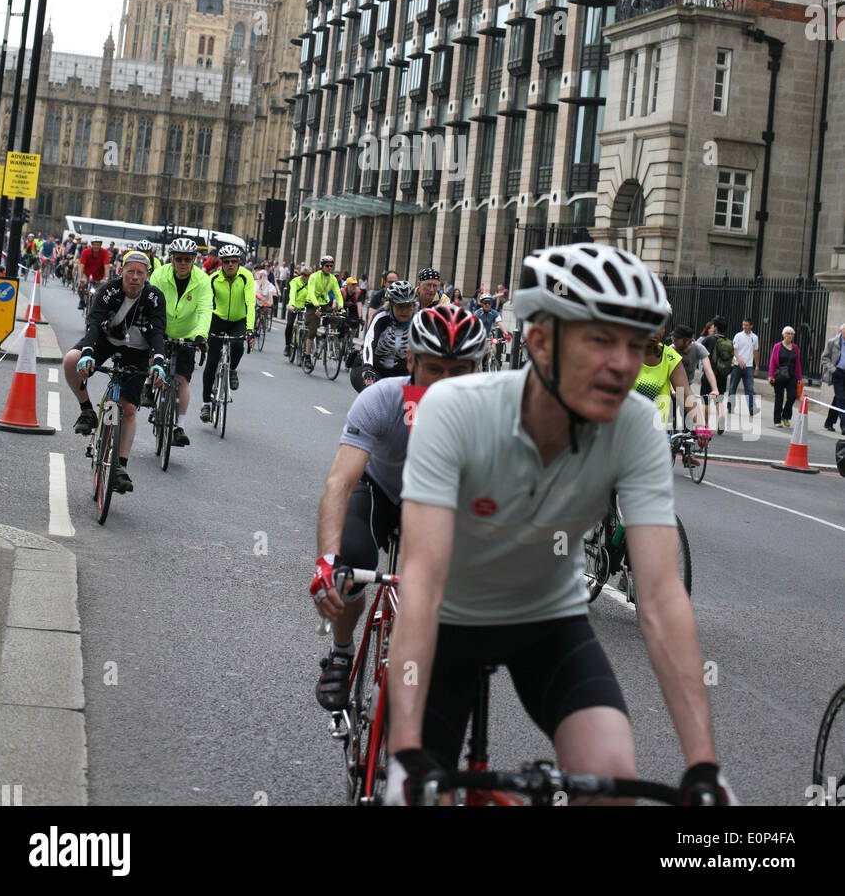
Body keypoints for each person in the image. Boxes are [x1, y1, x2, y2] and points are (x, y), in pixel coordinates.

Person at [383, 243, 733, 808]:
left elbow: (663, 598)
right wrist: (404, 756)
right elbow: (419, 579)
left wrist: (704, 768)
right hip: (450, 620)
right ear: (540, 342)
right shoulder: (455, 409)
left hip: (549, 621)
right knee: (424, 794)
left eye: (636, 344)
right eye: (600, 340)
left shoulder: (637, 425)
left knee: (612, 782)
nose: (624, 363)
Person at [310, 304, 487, 712]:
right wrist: (326, 562)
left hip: (440, 505)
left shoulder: (489, 413)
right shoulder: (382, 399)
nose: (445, 385)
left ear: (478, 369)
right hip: (381, 492)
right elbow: (340, 483)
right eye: (434, 370)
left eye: (459, 372)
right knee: (351, 563)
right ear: (410, 360)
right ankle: (341, 651)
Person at [63, 251, 168, 493]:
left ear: (146, 275)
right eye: (130, 271)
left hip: (138, 351)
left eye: (140, 273)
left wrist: (158, 362)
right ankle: (87, 411)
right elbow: (94, 323)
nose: (134, 277)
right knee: (71, 360)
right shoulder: (108, 291)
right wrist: (87, 352)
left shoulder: (154, 297)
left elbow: (157, 333)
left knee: (128, 408)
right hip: (107, 341)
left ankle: (120, 466)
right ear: (122, 272)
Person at [150, 236, 212, 447]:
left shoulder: (202, 280)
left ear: (194, 259)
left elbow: (205, 310)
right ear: (172, 259)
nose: (183, 263)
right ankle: (149, 384)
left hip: (188, 333)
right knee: (153, 359)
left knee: (183, 380)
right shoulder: (159, 274)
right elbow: (150, 303)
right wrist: (152, 329)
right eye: (179, 259)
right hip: (162, 327)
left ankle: (179, 427)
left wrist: (201, 335)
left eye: (187, 259)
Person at [199, 245, 255, 419]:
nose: (231, 265)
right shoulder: (213, 279)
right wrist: (203, 330)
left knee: (238, 345)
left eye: (234, 261)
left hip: (239, 319)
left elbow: (251, 303)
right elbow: (206, 305)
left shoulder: (246, 277)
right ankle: (206, 404)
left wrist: (250, 329)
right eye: (227, 262)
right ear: (221, 263)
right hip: (218, 320)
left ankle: (232, 370)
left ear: (239, 262)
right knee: (212, 361)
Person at [351, 280, 416, 392]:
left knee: (413, 403)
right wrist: (367, 368)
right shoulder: (381, 317)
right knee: (373, 394)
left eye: (408, 306)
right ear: (391, 305)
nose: (405, 311)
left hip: (401, 372)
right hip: (374, 368)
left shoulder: (418, 320)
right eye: (400, 306)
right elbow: (368, 342)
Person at [634, 322, 700, 435]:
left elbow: (685, 393)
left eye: (660, 325)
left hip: (656, 433)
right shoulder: (625, 353)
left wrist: (699, 425)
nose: (656, 330)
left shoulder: (669, 356)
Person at [670, 326, 720, 427]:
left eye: (676, 339)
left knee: (689, 415)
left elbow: (708, 370)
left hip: (687, 387)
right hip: (671, 386)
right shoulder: (671, 349)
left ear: (687, 341)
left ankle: (687, 438)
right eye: (672, 338)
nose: (673, 341)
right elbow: (667, 372)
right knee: (670, 413)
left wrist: (715, 389)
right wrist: (672, 389)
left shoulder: (698, 348)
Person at [303, 255, 344, 373]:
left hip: (325, 304)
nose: (329, 268)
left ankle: (329, 337)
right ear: (322, 266)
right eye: (327, 266)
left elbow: (338, 293)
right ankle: (307, 356)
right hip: (312, 304)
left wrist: (341, 306)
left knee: (335, 318)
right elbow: (310, 292)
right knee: (313, 330)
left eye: (331, 266)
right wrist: (316, 305)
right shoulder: (313, 277)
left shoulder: (333, 279)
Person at [769, 327, 802, 430]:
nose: (790, 336)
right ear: (783, 335)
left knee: (792, 396)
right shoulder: (777, 346)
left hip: (792, 376)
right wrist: (771, 376)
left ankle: (785, 416)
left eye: (792, 334)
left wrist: (799, 377)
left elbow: (797, 363)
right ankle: (777, 420)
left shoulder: (795, 347)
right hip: (780, 375)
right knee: (779, 398)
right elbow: (772, 362)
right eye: (788, 333)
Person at [728, 318, 759, 419]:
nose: (744, 327)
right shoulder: (738, 336)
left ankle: (751, 408)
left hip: (749, 366)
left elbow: (756, 352)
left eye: (746, 325)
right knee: (733, 387)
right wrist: (739, 359)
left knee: (749, 388)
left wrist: (757, 365)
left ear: (751, 326)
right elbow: (735, 350)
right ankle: (730, 406)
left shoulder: (754, 337)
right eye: (743, 325)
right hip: (737, 365)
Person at [820, 322, 845, 433]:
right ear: (841, 331)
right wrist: (833, 370)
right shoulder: (832, 342)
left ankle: (829, 422)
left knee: (837, 399)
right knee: (841, 398)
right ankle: (844, 425)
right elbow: (824, 358)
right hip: (837, 373)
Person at [284, 263, 312, 357]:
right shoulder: (295, 281)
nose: (304, 276)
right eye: (303, 274)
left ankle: (305, 346)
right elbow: (292, 294)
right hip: (294, 306)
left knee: (308, 326)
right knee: (289, 324)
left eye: (307, 275)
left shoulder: (311, 283)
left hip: (305, 307)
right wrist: (291, 305)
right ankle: (288, 345)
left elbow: (312, 294)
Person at [78, 238, 111, 310]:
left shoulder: (104, 252)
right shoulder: (85, 252)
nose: (96, 246)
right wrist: (80, 278)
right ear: (91, 245)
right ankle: (82, 300)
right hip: (86, 274)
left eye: (98, 245)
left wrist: (105, 278)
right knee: (81, 286)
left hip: (99, 276)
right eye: (94, 245)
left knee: (101, 291)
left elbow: (107, 267)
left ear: (100, 245)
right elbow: (81, 266)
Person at [340, 275, 364, 340]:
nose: (354, 286)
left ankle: (351, 341)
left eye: (355, 284)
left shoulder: (358, 292)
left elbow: (359, 305)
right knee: (341, 324)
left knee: (355, 322)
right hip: (343, 307)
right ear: (347, 285)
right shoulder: (342, 291)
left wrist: (360, 317)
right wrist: (341, 309)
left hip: (353, 308)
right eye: (352, 284)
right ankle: (341, 339)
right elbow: (338, 302)